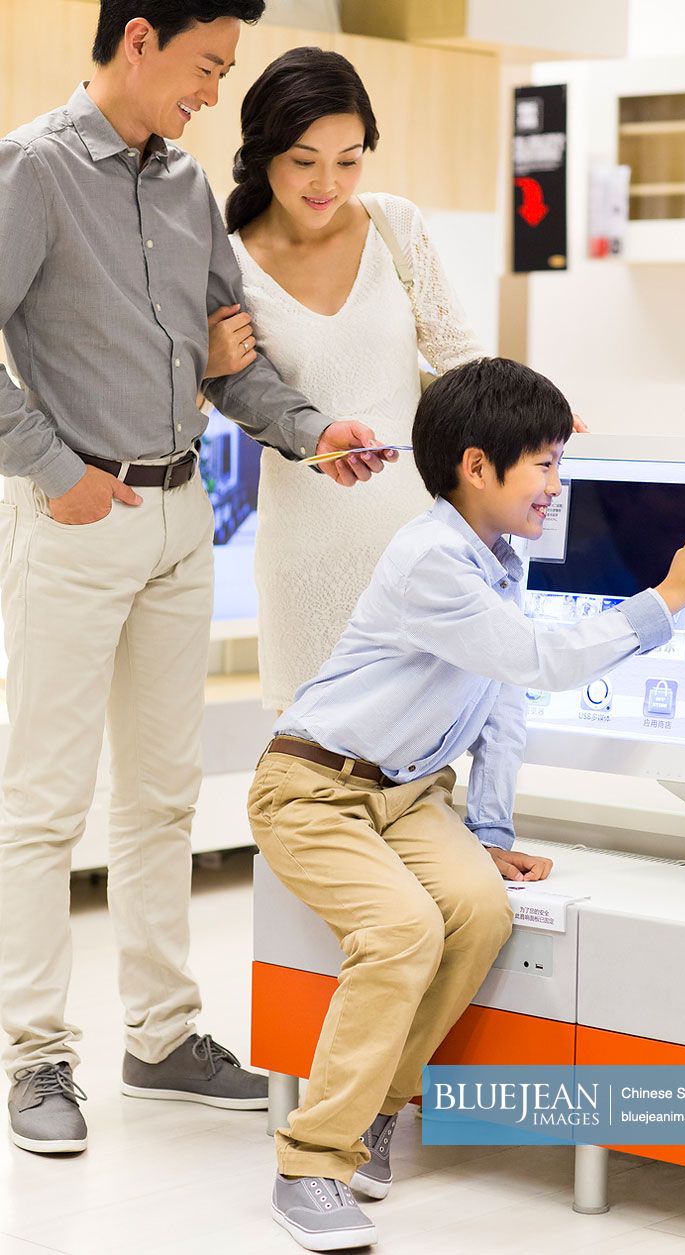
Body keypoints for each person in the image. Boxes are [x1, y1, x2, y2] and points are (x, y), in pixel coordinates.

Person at [0, 0, 393, 1157]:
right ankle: (34, 1054)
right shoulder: (31, 171)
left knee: (165, 793)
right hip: (81, 517)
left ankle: (162, 1037)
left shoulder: (180, 189)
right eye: (206, 66)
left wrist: (313, 430)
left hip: (182, 521)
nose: (215, 90)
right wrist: (51, 468)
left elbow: (233, 364)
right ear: (138, 39)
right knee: (45, 801)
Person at [247, 356, 685, 1250]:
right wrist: (665, 599)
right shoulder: (433, 558)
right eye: (543, 463)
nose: (557, 484)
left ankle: (376, 1113)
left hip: (407, 793)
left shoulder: (496, 560)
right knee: (401, 930)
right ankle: (309, 1160)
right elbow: (541, 666)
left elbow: (503, 702)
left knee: (477, 910)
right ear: (477, 466)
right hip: (313, 787)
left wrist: (491, 831)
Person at [203, 46, 487, 711]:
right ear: (263, 153)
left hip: (416, 546)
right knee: (313, 779)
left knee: (423, 763)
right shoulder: (226, 261)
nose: (325, 183)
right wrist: (203, 359)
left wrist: (535, 411)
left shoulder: (394, 224)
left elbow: (459, 357)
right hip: (305, 558)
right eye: (303, 160)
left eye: (348, 159)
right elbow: (224, 393)